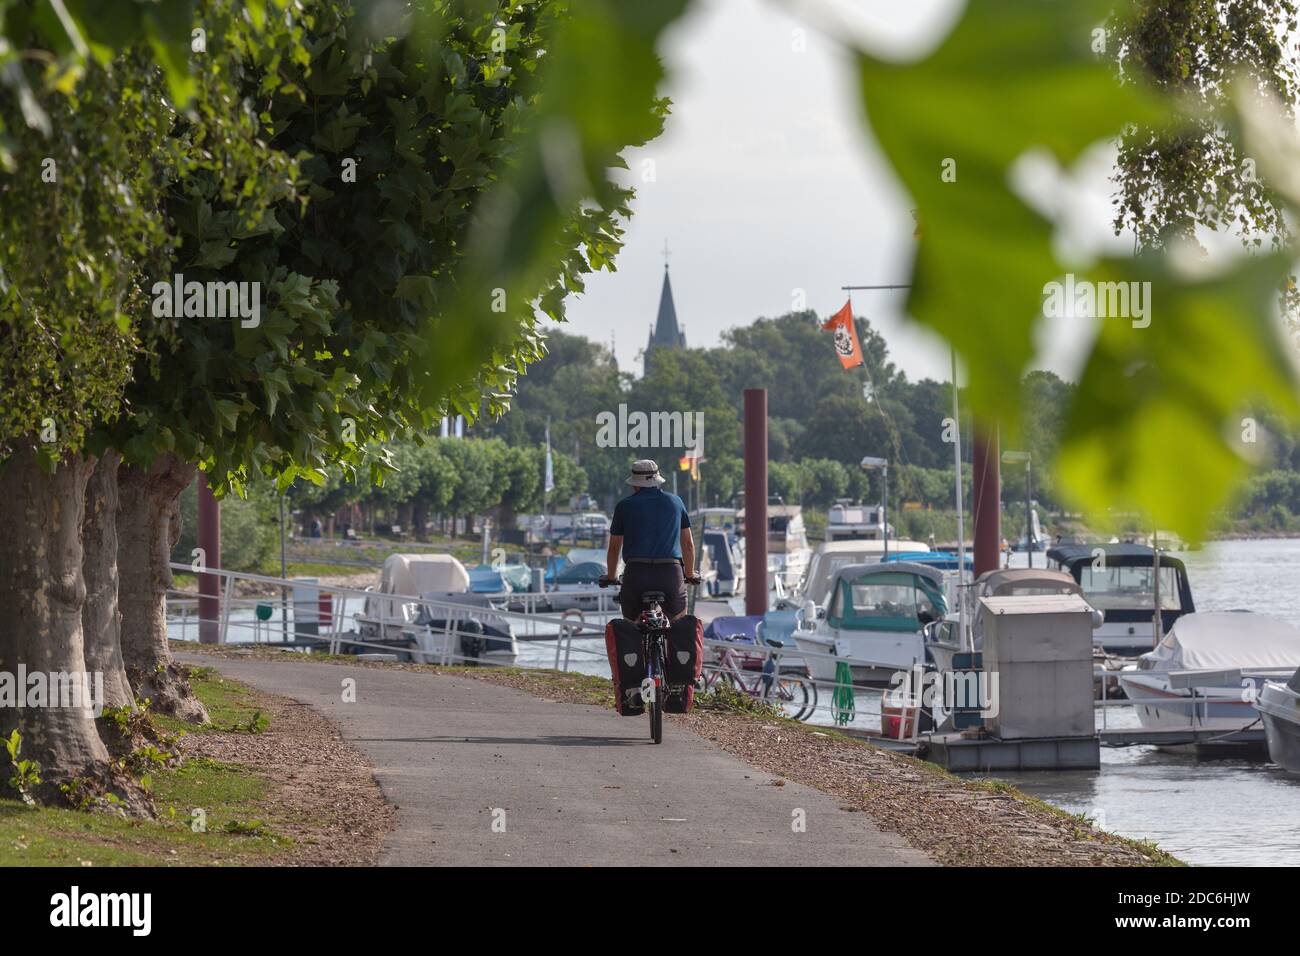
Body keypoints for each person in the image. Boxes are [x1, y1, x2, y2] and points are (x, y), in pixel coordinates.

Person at [600, 459, 699, 620]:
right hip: (670, 573)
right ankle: (678, 643)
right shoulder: (676, 502)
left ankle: (634, 643)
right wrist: (690, 573)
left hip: (636, 573)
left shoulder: (624, 506)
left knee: (631, 625)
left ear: (634, 484)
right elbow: (687, 544)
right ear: (658, 481)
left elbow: (614, 548)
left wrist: (611, 576)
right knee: (679, 622)